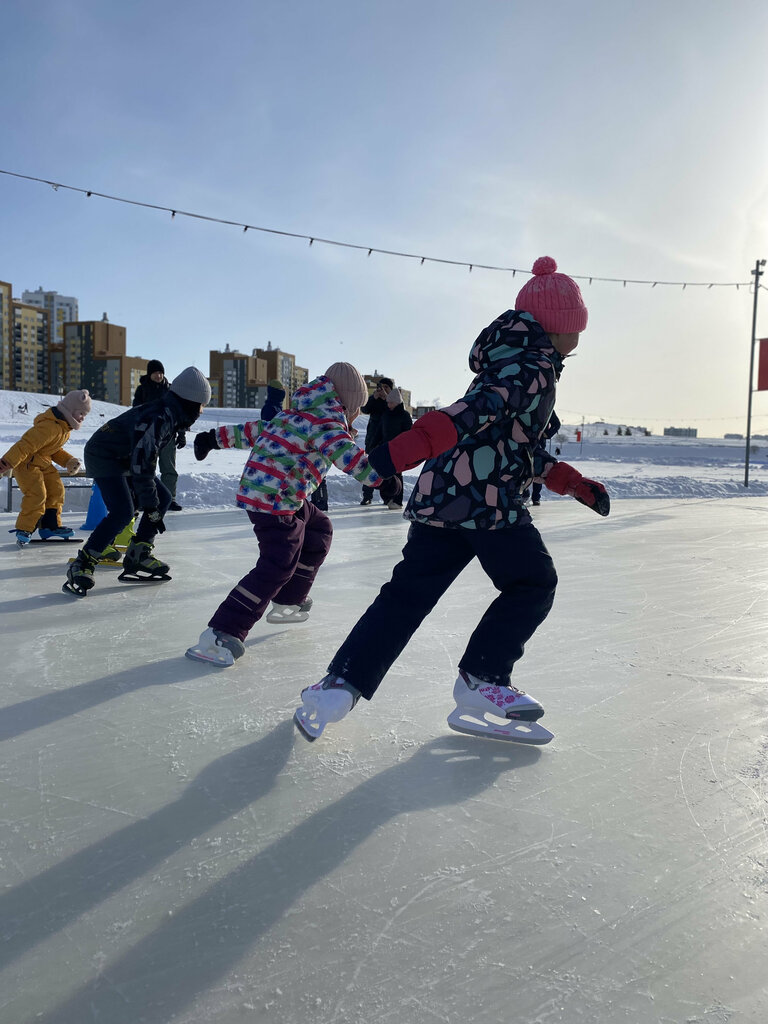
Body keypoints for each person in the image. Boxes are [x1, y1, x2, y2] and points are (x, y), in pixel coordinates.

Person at [294, 256, 610, 744]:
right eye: (577, 327)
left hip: (442, 497)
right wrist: (395, 454)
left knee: (407, 595)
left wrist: (567, 480)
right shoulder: (532, 367)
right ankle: (483, 678)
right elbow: (466, 416)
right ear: (557, 326)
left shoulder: (507, 358)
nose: (580, 336)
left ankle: (340, 685)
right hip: (486, 503)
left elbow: (507, 443)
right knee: (533, 582)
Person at [185, 362, 396, 666]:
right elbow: (350, 459)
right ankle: (222, 632)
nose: (357, 414)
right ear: (348, 403)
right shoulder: (326, 423)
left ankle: (290, 597)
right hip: (274, 500)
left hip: (280, 494)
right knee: (278, 562)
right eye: (357, 408)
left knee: (318, 528)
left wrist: (212, 439)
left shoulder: (294, 414)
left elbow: (252, 431)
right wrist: (384, 480)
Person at [63, 367, 211, 597]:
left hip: (125, 455)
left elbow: (143, 462)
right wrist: (149, 506)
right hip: (104, 454)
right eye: (202, 405)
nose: (202, 411)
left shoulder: (170, 414)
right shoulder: (159, 417)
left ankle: (138, 555)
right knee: (123, 511)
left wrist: (152, 503)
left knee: (163, 498)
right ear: (190, 402)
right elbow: (143, 464)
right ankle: (83, 562)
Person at [1, 390, 92, 546]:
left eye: (85, 414)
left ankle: (50, 526)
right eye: (81, 413)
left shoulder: (63, 428)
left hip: (43, 463)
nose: (83, 417)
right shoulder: (49, 427)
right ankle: (24, 529)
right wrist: (6, 463)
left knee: (57, 490)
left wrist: (68, 460)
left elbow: (53, 450)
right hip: (27, 464)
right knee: (37, 495)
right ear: (70, 409)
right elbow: (25, 445)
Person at [133, 359, 184, 511]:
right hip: (148, 436)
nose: (159, 376)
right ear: (149, 374)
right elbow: (136, 412)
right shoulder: (142, 390)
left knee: (169, 468)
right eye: (155, 373)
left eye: (161, 373)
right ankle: (147, 499)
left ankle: (170, 499)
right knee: (147, 469)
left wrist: (181, 433)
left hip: (168, 435)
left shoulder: (171, 390)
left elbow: (179, 413)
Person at [359, 376, 393, 505]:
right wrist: (374, 398)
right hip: (372, 439)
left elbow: (396, 413)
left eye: (386, 388)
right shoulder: (374, 400)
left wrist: (387, 399)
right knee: (370, 468)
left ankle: (388, 497)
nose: (383, 390)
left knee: (388, 469)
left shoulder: (394, 401)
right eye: (381, 387)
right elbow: (364, 409)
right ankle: (367, 496)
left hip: (388, 440)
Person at [379, 387, 412, 509]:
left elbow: (409, 434)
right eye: (387, 402)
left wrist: (405, 448)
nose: (388, 405)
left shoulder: (404, 415)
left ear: (397, 402)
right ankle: (387, 498)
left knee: (397, 474)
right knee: (385, 473)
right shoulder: (386, 414)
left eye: (390, 402)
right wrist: (375, 444)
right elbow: (380, 431)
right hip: (386, 448)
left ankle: (397, 501)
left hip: (399, 449)